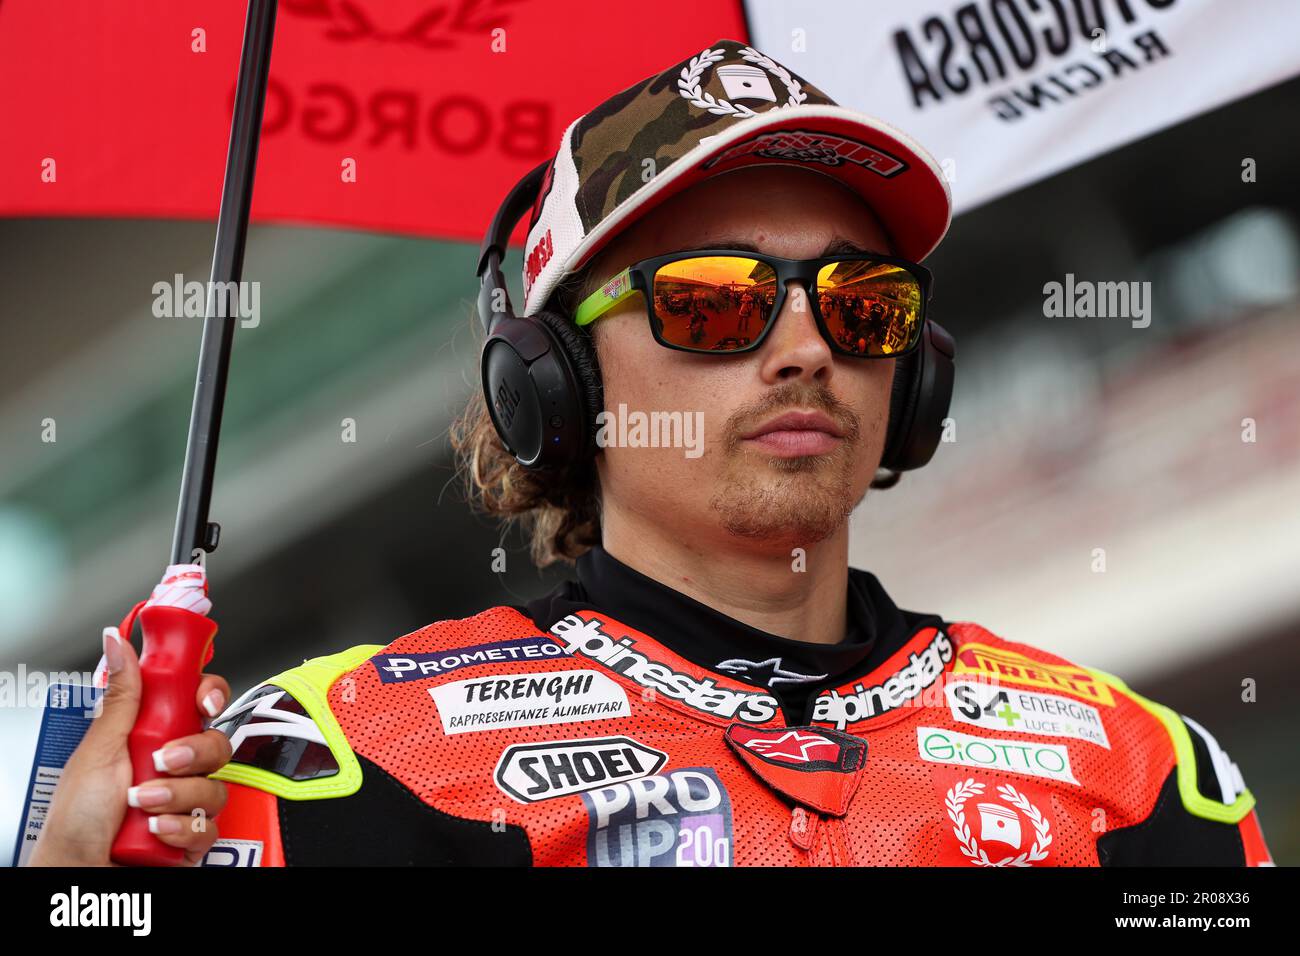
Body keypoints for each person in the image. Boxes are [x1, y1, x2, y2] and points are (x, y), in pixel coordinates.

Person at [30, 39, 1272, 867]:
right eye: (715, 299)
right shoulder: (338, 758)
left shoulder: (1143, 774)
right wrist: (77, 894)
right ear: (549, 381)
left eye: (861, 300)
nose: (804, 347)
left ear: (915, 367)